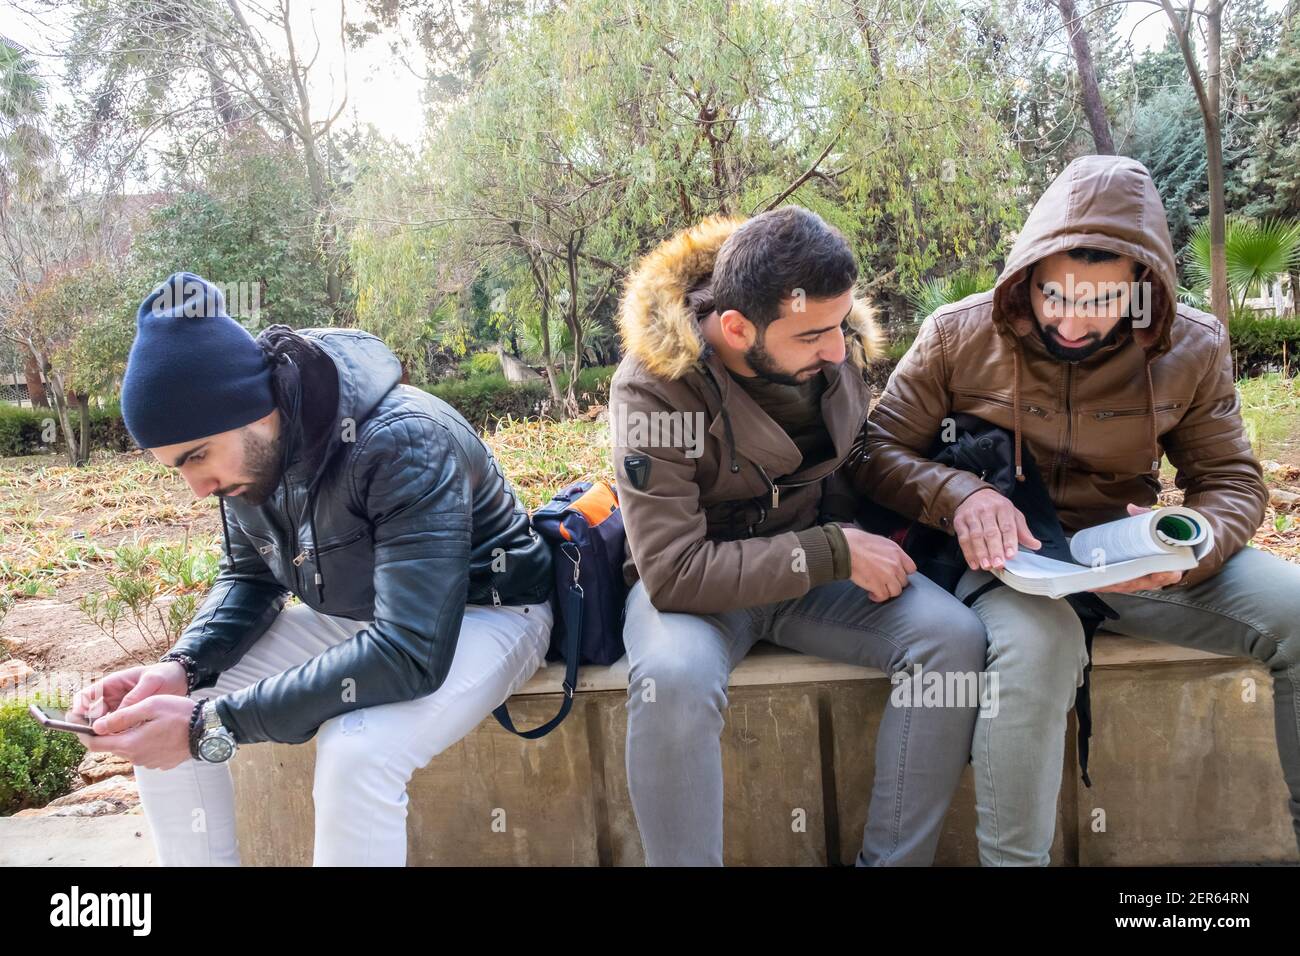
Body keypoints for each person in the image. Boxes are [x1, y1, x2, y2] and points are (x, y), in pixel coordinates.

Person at [858, 154, 1300, 864]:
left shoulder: (1194, 343)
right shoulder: (956, 333)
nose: (1070, 319)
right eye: (1053, 295)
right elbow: (874, 454)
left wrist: (1190, 548)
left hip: (1124, 559)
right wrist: (960, 494)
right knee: (1041, 646)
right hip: (1001, 562)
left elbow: (1233, 481)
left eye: (1100, 302)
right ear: (1026, 276)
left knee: (1298, 611)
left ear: (1142, 287)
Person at [71, 272, 554, 866]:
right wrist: (182, 669)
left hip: (486, 614)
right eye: (176, 467)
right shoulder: (251, 461)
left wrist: (209, 724)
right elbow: (249, 580)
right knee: (152, 721)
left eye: (197, 455)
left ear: (254, 408)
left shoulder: (403, 441)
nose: (197, 489)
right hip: (368, 620)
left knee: (357, 751)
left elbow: (410, 651)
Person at [610, 207, 990, 866]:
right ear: (736, 328)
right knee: (670, 680)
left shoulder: (831, 350)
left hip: (817, 571)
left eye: (841, 326)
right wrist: (834, 551)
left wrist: (963, 498)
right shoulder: (652, 389)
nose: (839, 351)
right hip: (701, 590)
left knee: (951, 638)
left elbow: (853, 469)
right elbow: (672, 573)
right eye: (813, 335)